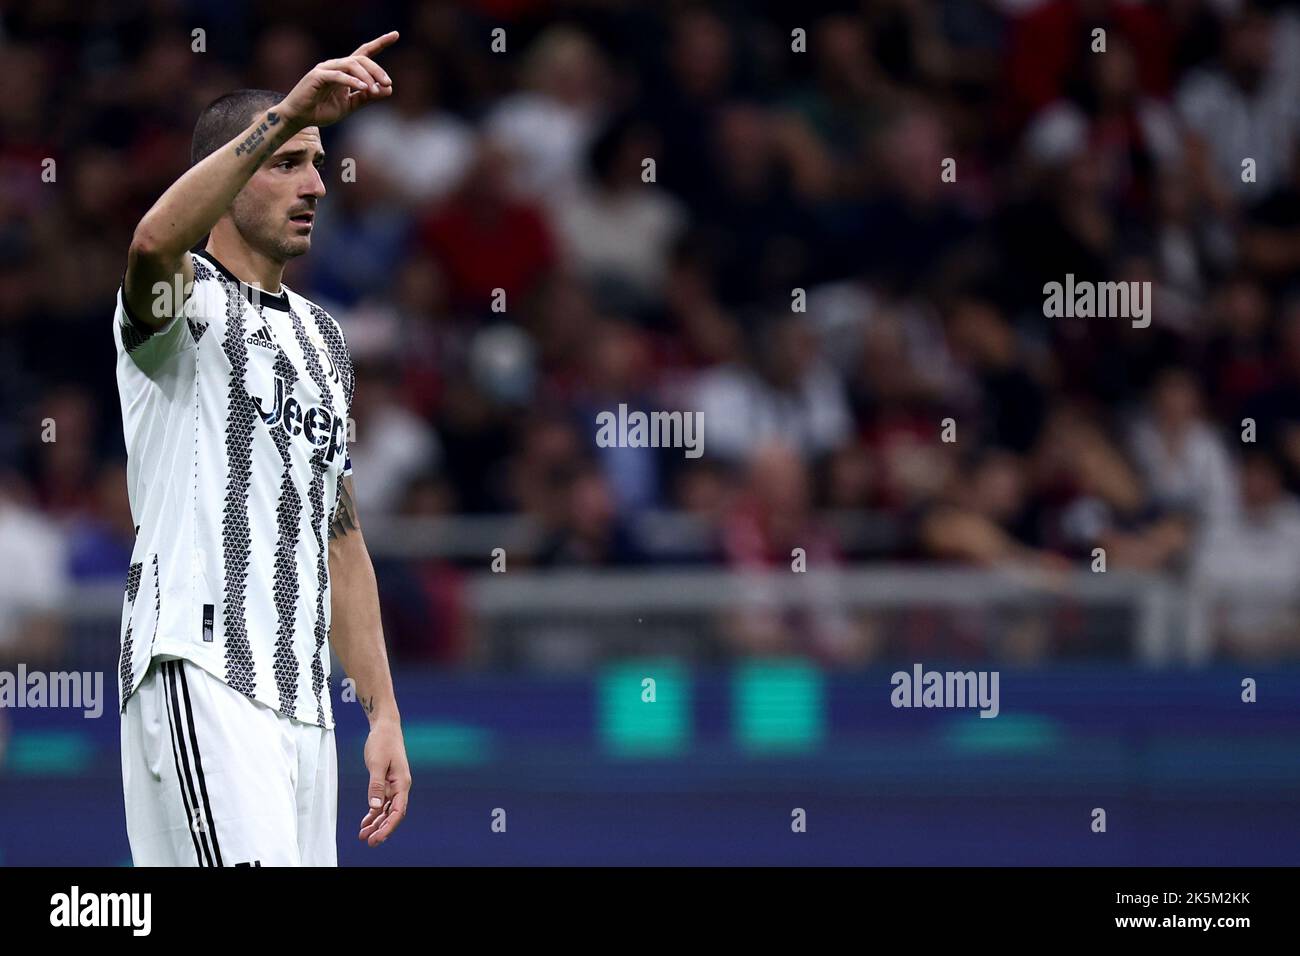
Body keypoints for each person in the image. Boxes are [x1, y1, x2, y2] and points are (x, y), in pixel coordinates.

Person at [112, 32, 410, 866]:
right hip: (201, 666)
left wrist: (381, 710)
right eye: (288, 161)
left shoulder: (325, 340)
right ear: (236, 170)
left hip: (305, 707)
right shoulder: (181, 304)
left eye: (317, 162)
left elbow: (341, 538)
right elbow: (148, 244)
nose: (316, 183)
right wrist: (283, 113)